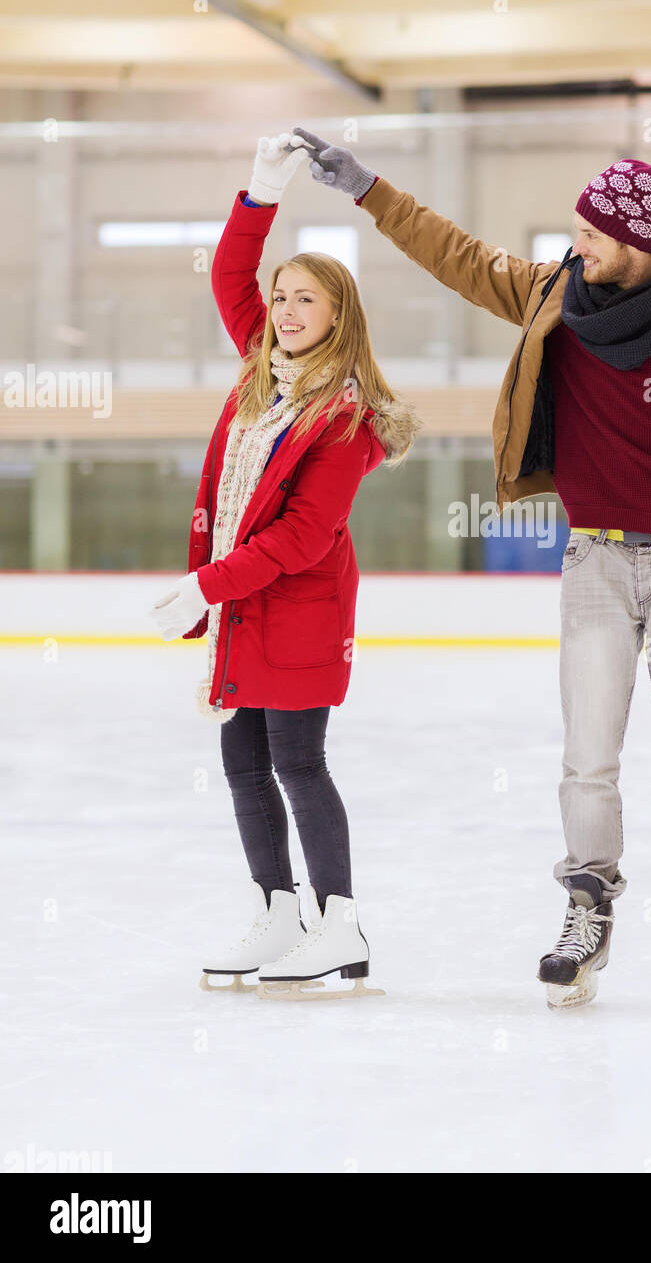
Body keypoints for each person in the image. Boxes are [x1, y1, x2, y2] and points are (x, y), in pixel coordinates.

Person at [293, 129, 651, 1013]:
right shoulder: (552, 297)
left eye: (594, 236)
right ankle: (587, 905)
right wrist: (369, 189)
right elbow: (455, 255)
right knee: (587, 756)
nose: (577, 246)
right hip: (595, 559)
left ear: (639, 244)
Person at [150, 133, 418, 1000]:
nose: (287, 309)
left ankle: (340, 922)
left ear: (340, 313)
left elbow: (301, 539)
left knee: (298, 762)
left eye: (307, 298)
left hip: (296, 611)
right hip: (246, 613)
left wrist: (203, 585)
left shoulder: (342, 418)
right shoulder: (260, 376)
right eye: (281, 295)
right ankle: (277, 911)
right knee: (242, 760)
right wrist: (264, 186)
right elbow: (231, 273)